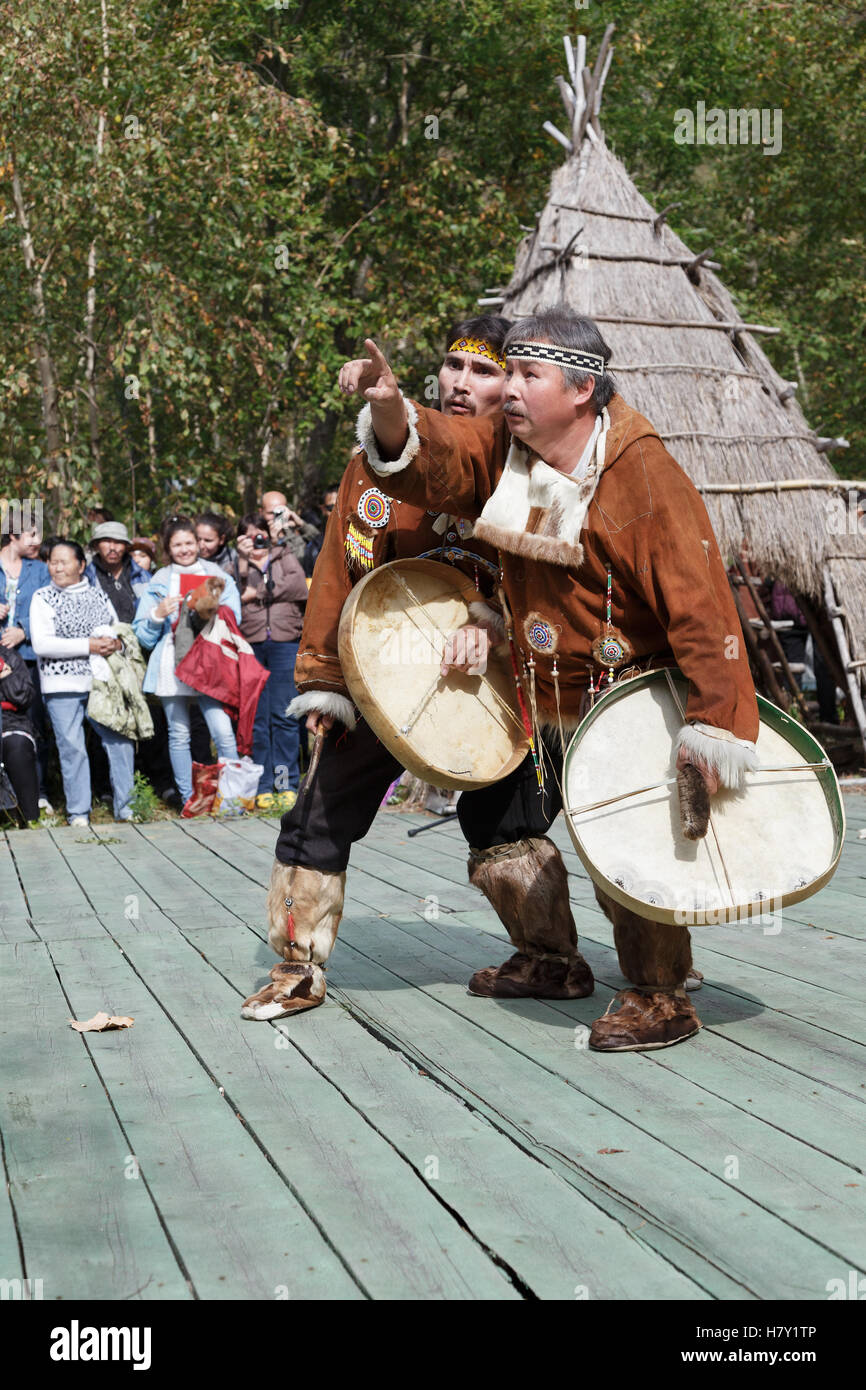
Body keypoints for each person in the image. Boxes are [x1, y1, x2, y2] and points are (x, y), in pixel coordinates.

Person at [315, 308, 761, 1053]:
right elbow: (439, 464)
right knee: (500, 828)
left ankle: (660, 995)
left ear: (582, 390)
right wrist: (390, 409)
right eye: (508, 373)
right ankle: (552, 963)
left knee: (624, 843)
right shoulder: (513, 452)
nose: (508, 389)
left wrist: (712, 726)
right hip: (542, 698)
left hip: (630, 697)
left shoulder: (640, 473)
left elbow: (702, 611)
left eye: (527, 374)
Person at [241, 313, 511, 1022]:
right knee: (317, 815)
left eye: (483, 370)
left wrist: (496, 624)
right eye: (454, 364)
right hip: (383, 672)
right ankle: (296, 966)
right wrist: (327, 681)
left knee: (511, 831)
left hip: (497, 681)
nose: (461, 381)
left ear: (515, 386)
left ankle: (548, 957)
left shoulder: (535, 470)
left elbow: (555, 584)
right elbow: (341, 571)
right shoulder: (377, 463)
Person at [132, 517, 242, 804]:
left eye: (189, 543)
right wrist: (157, 614)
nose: (185, 549)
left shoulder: (218, 576)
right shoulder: (158, 580)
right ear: (168, 548)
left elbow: (235, 619)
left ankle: (231, 799)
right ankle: (189, 798)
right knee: (178, 733)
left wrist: (210, 611)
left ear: (198, 544)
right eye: (177, 544)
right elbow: (142, 635)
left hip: (209, 661)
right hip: (171, 660)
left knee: (221, 730)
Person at [30, 540, 136, 826]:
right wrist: (88, 645)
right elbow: (42, 644)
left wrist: (116, 644)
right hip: (61, 684)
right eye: (53, 561)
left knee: (119, 741)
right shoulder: (42, 597)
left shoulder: (99, 596)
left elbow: (119, 634)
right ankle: (79, 812)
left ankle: (126, 808)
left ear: (81, 565)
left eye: (64, 561)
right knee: (72, 747)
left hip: (102, 682)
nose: (58, 566)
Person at [234, 513, 309, 809]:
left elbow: (299, 589)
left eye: (260, 534)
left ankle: (285, 783)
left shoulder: (283, 555)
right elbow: (232, 592)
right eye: (248, 536)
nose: (256, 541)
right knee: (259, 721)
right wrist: (242, 562)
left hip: (284, 644)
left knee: (285, 716)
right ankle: (263, 785)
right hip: (251, 644)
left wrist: (256, 593)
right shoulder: (235, 562)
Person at [0, 525, 52, 810]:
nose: (37, 542)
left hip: (28, 660)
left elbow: (50, 607)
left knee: (33, 726)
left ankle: (38, 794)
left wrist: (24, 630)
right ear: (12, 535)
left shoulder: (41, 571)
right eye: (31, 535)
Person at [0, 644, 40, 823]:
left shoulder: (10, 657)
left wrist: (4, 673)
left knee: (18, 746)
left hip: (11, 722)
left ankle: (29, 818)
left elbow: (24, 697)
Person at [85, 521, 151, 624]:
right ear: (96, 545)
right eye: (106, 541)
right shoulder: (86, 578)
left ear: (125, 546)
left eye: (118, 542)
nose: (112, 548)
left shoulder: (142, 576)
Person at [261, 491, 320, 566]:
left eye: (280, 512)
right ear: (261, 512)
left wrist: (301, 524)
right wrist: (274, 541)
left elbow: (318, 540)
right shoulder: (258, 535)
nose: (276, 517)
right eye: (271, 513)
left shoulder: (293, 532)